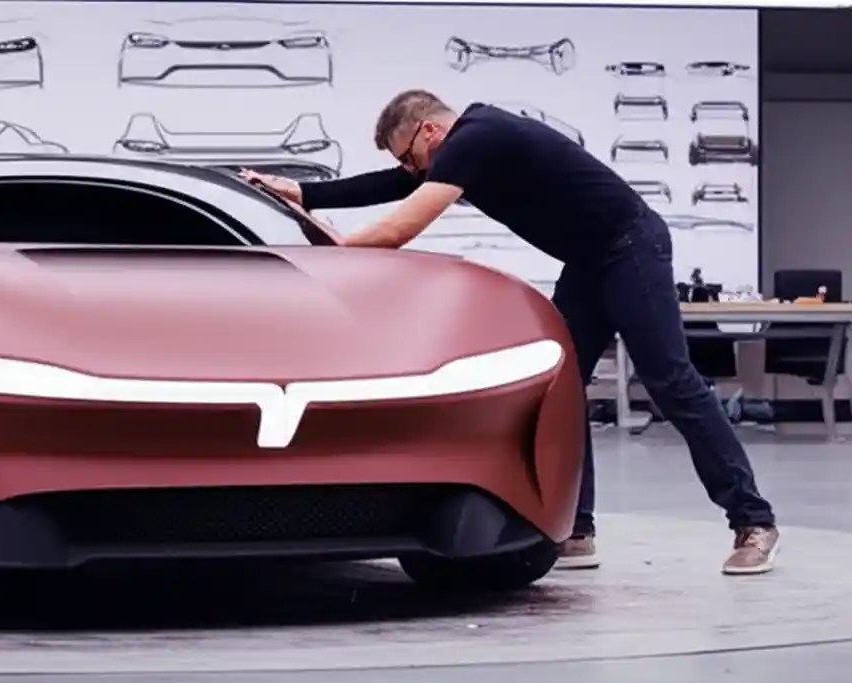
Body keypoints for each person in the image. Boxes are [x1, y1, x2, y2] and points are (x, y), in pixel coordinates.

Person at [241, 90, 780, 575]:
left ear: (431, 131)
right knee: (563, 387)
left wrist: (340, 252)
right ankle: (577, 530)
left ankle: (754, 522)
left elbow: (402, 227)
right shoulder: (462, 147)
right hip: (589, 262)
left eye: (410, 156)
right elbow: (388, 185)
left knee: (670, 382)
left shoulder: (481, 136)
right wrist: (304, 194)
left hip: (629, 245)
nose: (411, 169)